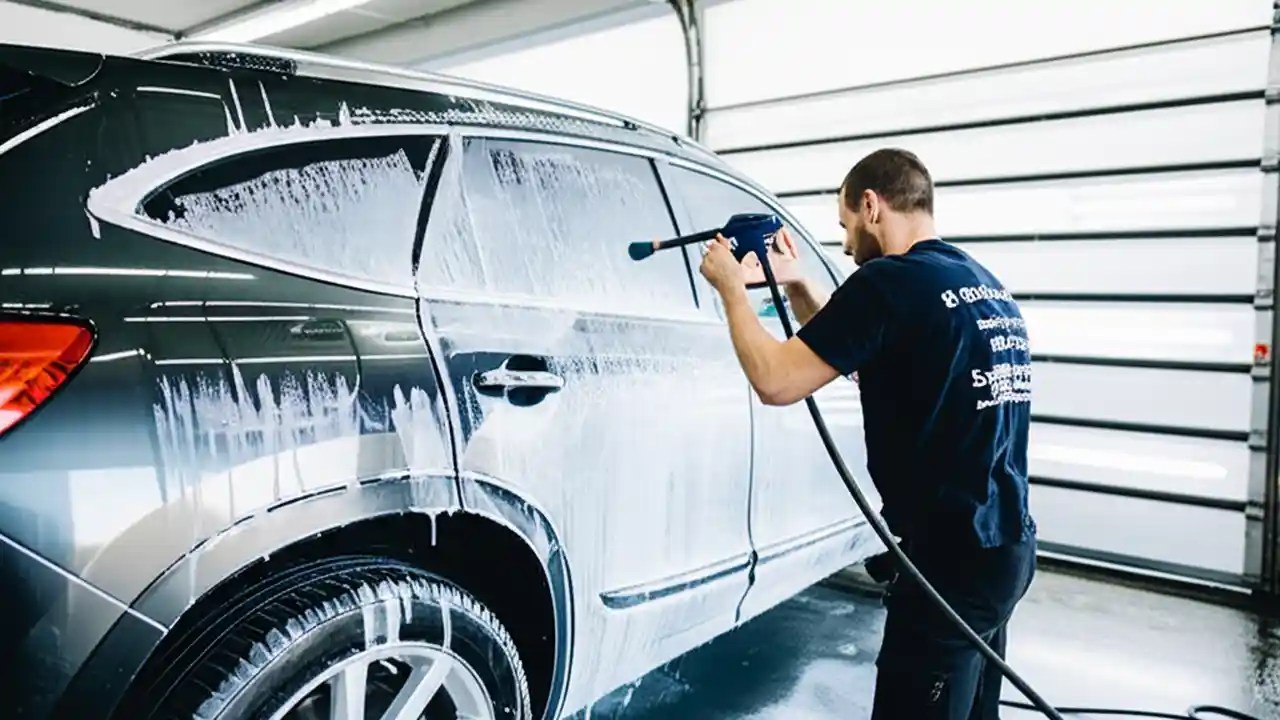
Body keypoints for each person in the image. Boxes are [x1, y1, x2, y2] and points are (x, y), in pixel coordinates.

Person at [698, 147, 1037, 720]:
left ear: (872, 206)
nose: (847, 244)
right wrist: (799, 281)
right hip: (1003, 549)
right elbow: (864, 351)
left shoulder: (887, 282)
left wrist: (732, 290)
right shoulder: (975, 282)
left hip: (948, 563)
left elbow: (777, 381)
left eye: (846, 225)